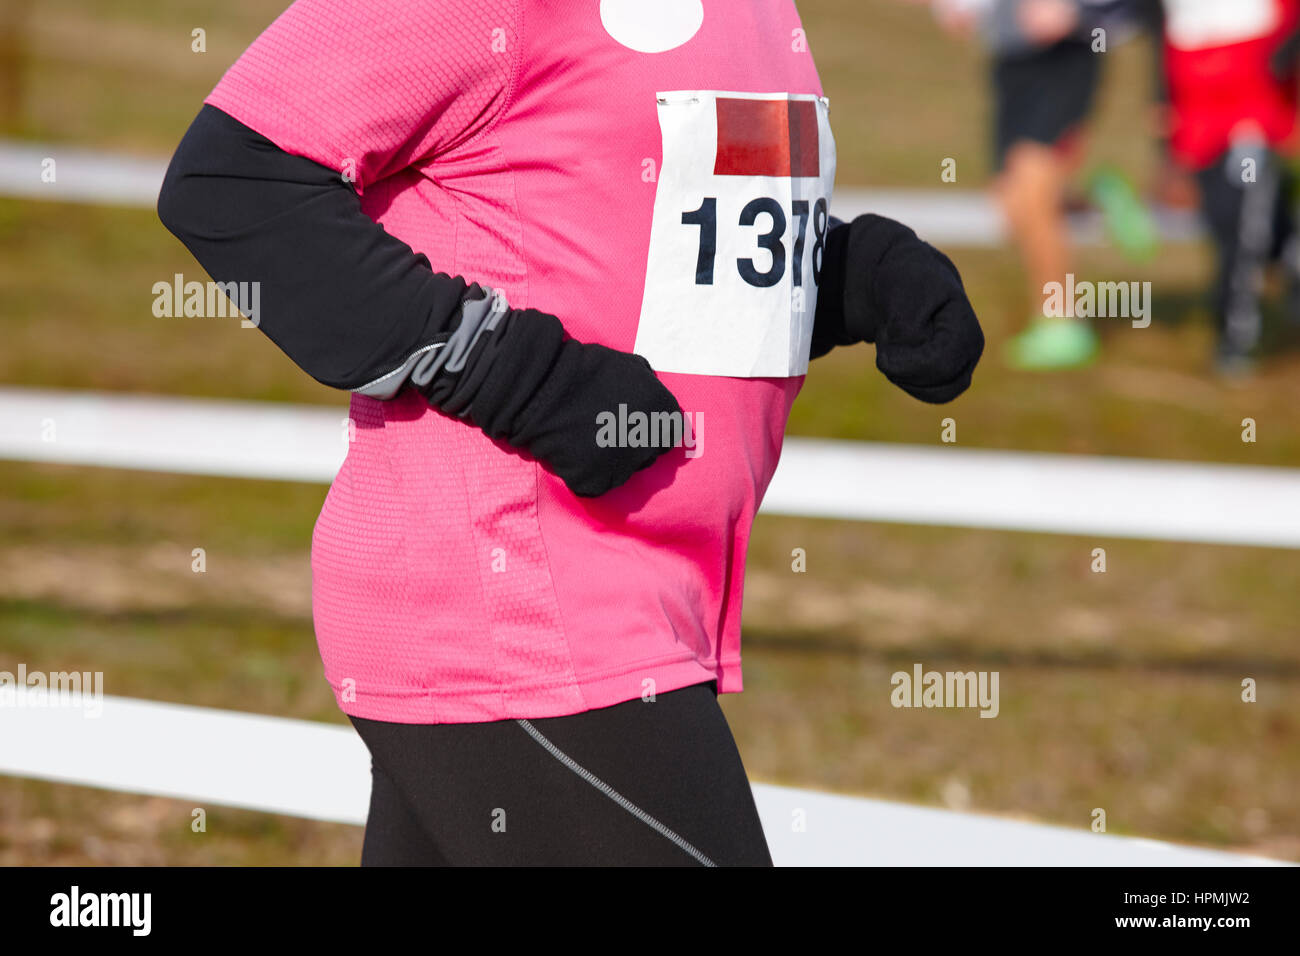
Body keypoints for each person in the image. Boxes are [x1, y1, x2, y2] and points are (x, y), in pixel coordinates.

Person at [158, 0, 984, 866]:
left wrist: (854, 276)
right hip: (512, 600)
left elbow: (635, 240)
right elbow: (232, 181)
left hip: (648, 601)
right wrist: (514, 372)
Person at [1160, 0, 1300, 374]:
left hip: (1255, 109)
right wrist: (1161, 109)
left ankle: (1235, 336)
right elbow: (1160, 29)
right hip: (1197, 114)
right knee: (1222, 218)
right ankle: (1292, 257)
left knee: (1245, 218)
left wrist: (1287, 57)